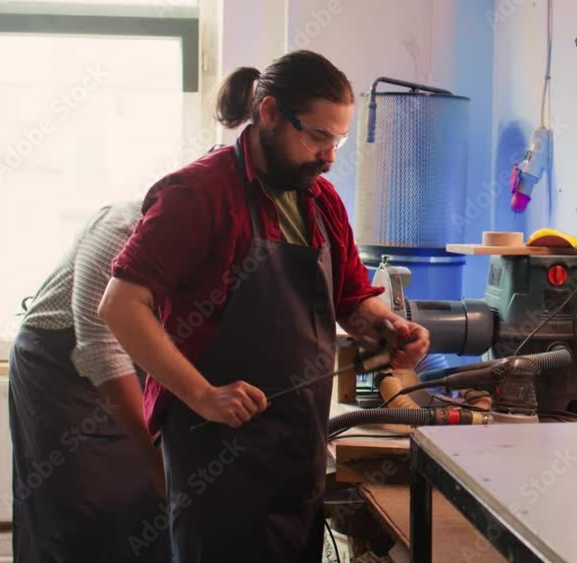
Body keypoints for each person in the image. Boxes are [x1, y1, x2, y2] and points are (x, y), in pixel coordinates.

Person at [97, 50, 431, 562]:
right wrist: (203, 394)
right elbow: (120, 306)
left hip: (299, 443)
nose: (330, 156)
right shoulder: (197, 193)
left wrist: (387, 328)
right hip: (216, 452)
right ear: (270, 113)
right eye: (318, 137)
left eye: (337, 139)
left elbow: (350, 301)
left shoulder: (321, 200)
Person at [8, 200, 168, 562]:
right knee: (77, 505)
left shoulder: (217, 243)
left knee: (142, 509)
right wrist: (152, 453)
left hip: (128, 362)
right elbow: (98, 349)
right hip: (58, 367)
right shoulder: (122, 227)